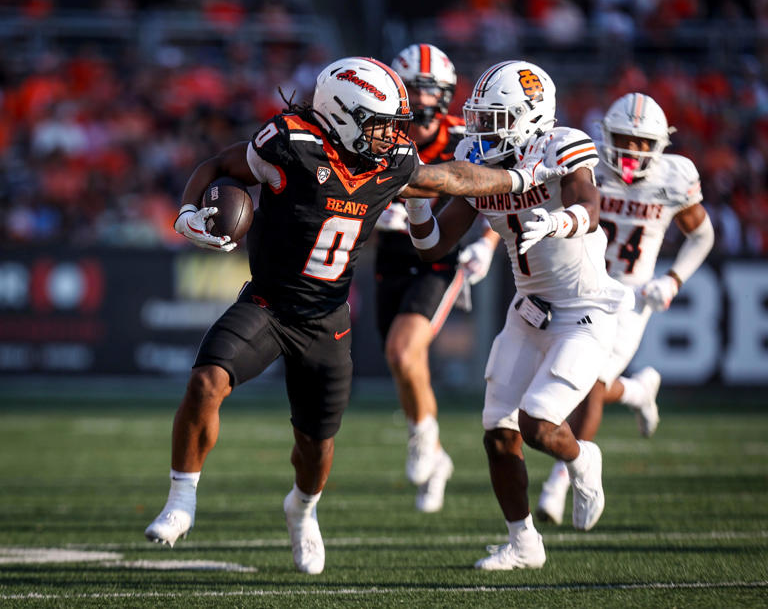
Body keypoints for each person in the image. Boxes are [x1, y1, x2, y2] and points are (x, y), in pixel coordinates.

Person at [143, 56, 563, 575]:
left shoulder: (391, 160)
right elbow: (216, 167)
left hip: (326, 318)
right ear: (342, 114)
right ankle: (182, 497)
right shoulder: (288, 144)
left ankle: (302, 509)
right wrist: (188, 211)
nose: (392, 135)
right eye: (379, 124)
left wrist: (522, 177)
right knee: (206, 380)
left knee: (315, 448)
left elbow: (450, 177)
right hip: (269, 303)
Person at [406, 59, 634, 570]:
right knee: (497, 431)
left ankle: (582, 456)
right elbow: (435, 244)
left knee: (537, 424)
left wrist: (555, 223)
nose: (479, 130)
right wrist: (418, 204)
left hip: (584, 310)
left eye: (494, 118)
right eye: (478, 117)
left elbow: (590, 205)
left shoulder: (562, 145)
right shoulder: (475, 156)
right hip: (528, 309)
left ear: (530, 117)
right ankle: (523, 542)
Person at [535, 92, 714, 525]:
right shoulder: (585, 168)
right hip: (579, 285)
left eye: (641, 142)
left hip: (629, 297)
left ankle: (561, 480)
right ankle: (637, 391)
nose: (632, 150)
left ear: (659, 145)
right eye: (623, 139)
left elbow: (702, 235)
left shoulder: (673, 178)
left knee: (591, 384)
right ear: (606, 135)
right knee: (581, 381)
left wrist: (672, 279)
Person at [375, 43, 500, 513]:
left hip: (440, 259)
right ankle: (436, 451)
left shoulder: (465, 139)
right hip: (391, 254)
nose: (424, 100)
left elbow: (497, 194)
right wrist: (372, 218)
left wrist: (486, 246)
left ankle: (424, 440)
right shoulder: (378, 134)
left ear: (448, 95)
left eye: (433, 90)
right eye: (415, 89)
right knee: (405, 363)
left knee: (403, 350)